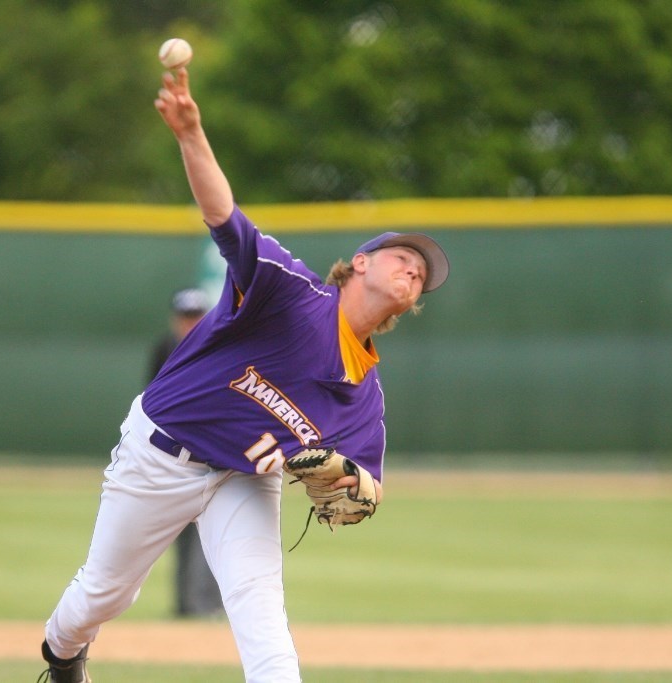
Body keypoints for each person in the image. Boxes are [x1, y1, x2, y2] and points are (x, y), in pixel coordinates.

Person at [38, 66, 450, 683]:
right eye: (403, 257)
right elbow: (223, 215)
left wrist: (351, 486)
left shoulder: (365, 397)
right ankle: (63, 654)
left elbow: (366, 484)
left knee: (263, 616)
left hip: (242, 481)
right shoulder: (287, 291)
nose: (414, 271)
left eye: (422, 275)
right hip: (161, 453)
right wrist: (190, 135)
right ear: (360, 263)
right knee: (104, 594)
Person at [148, 287, 226, 619]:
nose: (190, 323)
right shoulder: (165, 348)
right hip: (171, 456)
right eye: (185, 317)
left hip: (211, 455)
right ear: (175, 319)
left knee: (212, 533)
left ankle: (205, 606)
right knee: (179, 533)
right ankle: (186, 605)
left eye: (196, 316)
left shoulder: (220, 347)